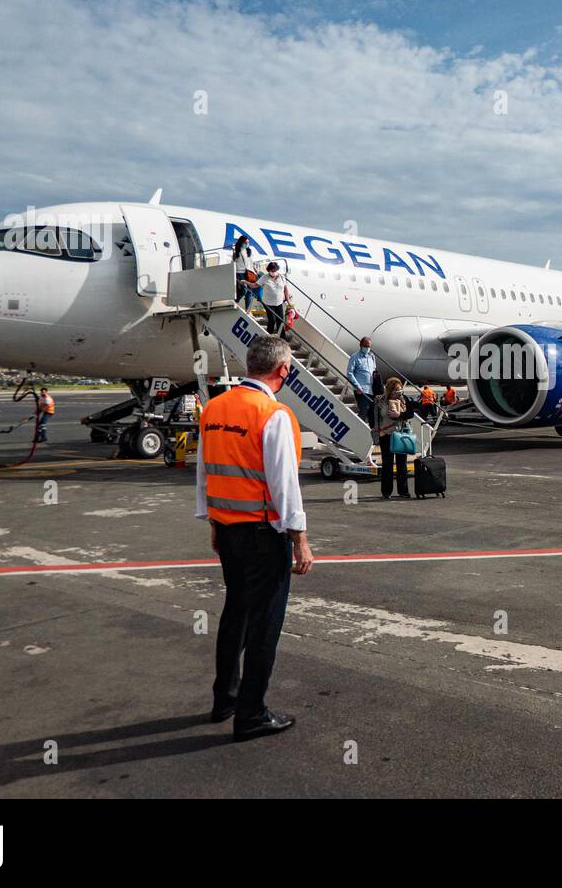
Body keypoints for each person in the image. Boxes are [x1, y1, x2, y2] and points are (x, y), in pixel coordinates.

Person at [195, 336, 314, 742]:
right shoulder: (272, 413)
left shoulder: (213, 407)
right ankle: (251, 714)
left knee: (235, 615)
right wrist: (299, 538)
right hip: (264, 535)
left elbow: (205, 472)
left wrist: (212, 521)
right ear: (283, 370)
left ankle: (224, 699)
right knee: (264, 625)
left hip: (227, 531)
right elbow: (285, 485)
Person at [373, 376, 415, 500]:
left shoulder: (404, 399)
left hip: (400, 434)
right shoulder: (380, 400)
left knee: (402, 464)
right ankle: (386, 492)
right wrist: (377, 429)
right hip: (385, 435)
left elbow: (411, 414)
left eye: (400, 389)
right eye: (396, 390)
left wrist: (399, 414)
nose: (399, 392)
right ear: (390, 390)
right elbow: (374, 415)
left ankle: (403, 491)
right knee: (387, 464)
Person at [346, 337, 378, 428]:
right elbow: (350, 373)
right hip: (361, 390)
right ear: (361, 346)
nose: (368, 348)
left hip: (372, 389)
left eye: (369, 346)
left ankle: (371, 434)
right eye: (366, 346)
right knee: (363, 410)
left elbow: (374, 370)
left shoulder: (372, 356)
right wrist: (357, 386)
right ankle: (357, 431)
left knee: (372, 412)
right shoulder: (355, 357)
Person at [259, 261, 288, 335]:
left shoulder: (281, 277)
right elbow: (255, 285)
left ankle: (282, 337)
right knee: (272, 320)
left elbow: (285, 289)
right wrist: (246, 283)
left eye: (274, 271)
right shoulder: (264, 277)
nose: (272, 272)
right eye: (271, 271)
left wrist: (288, 300)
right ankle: (268, 336)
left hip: (279, 302)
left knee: (280, 321)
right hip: (268, 303)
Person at [231, 235, 253, 308]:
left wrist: (254, 270)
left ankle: (247, 310)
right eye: (245, 242)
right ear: (241, 242)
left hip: (248, 272)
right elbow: (233, 260)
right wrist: (234, 251)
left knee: (249, 292)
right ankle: (235, 301)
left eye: (248, 242)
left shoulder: (248, 251)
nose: (247, 244)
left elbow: (250, 262)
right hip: (240, 272)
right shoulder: (237, 250)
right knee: (244, 290)